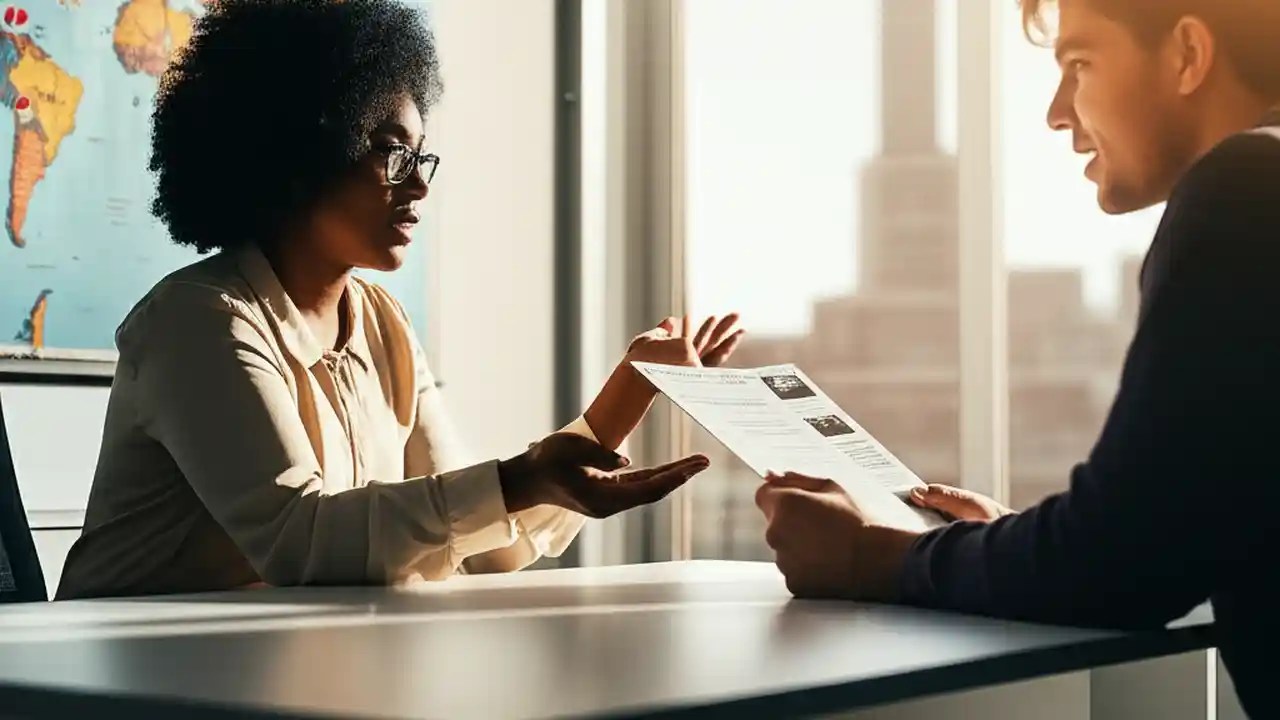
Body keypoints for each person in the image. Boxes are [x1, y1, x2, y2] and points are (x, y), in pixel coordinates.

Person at [56, 0, 743, 600]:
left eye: (422, 158)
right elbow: (302, 542)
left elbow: (482, 546)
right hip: (122, 680)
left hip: (267, 667)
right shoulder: (199, 320)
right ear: (298, 156)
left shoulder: (381, 322)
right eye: (391, 154)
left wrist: (627, 394)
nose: (417, 186)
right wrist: (522, 481)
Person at [755, 0, 1280, 715]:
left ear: (1188, 53)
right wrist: (1010, 545)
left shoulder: (1245, 189)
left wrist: (867, 558)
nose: (1057, 113)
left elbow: (1121, 564)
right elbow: (1183, 524)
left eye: (1080, 63)